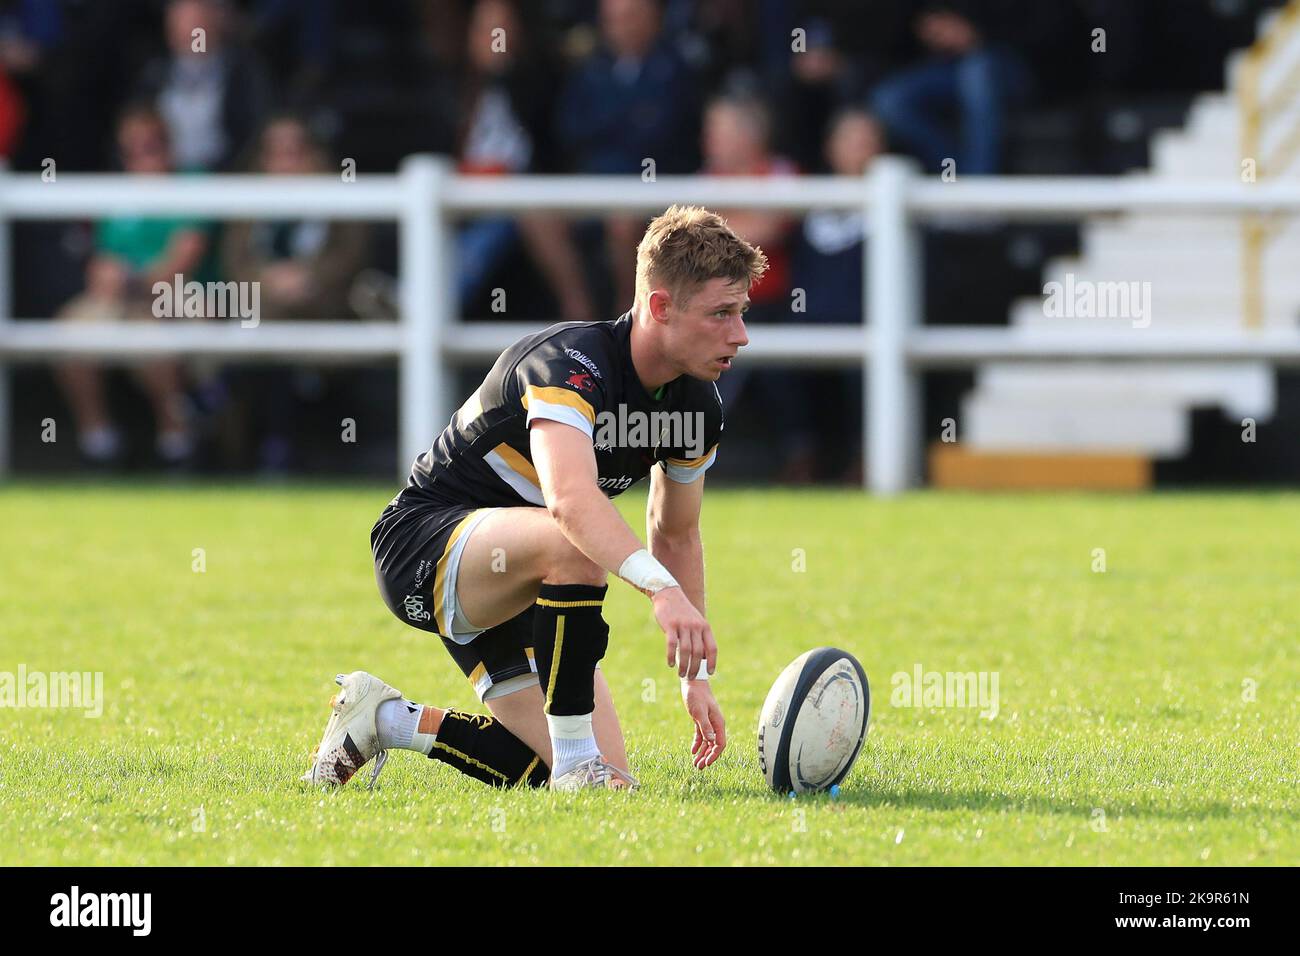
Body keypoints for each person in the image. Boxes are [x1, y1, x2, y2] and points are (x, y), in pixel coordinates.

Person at [301, 206, 764, 791]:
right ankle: (576, 764)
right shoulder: (571, 364)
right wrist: (660, 590)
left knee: (609, 781)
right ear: (660, 306)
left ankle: (387, 720)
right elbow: (571, 504)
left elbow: (675, 532)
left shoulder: (695, 407)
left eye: (741, 313)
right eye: (721, 313)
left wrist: (694, 676)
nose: (740, 334)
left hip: (525, 579)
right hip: (424, 547)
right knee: (574, 545)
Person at [52, 103, 210, 466]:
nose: (140, 157)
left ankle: (178, 445)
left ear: (169, 146)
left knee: (152, 336)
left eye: (150, 146)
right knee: (66, 331)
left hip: (181, 297)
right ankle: (99, 445)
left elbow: (182, 262)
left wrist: (133, 282)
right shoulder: (116, 193)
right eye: (130, 149)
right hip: (123, 296)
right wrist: (113, 281)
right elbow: (101, 264)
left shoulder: (194, 183)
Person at [221, 113, 369, 471]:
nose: (286, 161)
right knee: (266, 328)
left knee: (266, 332)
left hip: (323, 309)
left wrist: (307, 277)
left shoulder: (340, 199)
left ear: (313, 155)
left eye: (295, 151)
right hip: (261, 307)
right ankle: (275, 447)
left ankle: (219, 391)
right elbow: (235, 264)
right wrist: (270, 280)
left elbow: (351, 258)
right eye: (276, 152)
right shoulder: (249, 205)